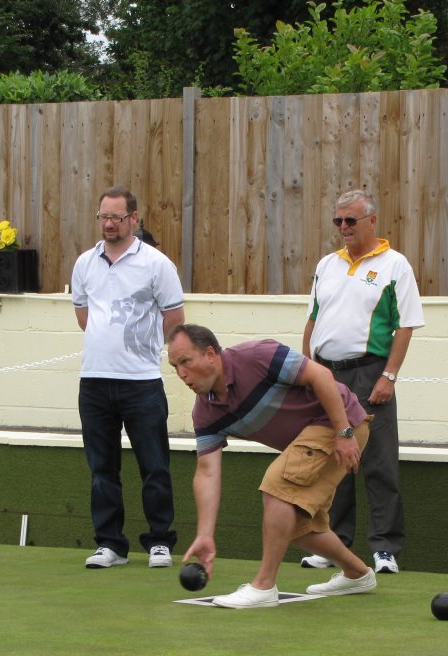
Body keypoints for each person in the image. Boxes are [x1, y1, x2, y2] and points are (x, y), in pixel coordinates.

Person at [168, 323, 379, 609]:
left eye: (185, 362)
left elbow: (320, 375)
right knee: (299, 526)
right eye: (175, 366)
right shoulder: (205, 411)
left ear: (209, 354)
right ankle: (357, 574)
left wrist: (344, 432)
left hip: (338, 424)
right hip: (314, 440)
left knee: (277, 488)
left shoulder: (256, 356)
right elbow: (207, 471)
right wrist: (205, 535)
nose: (181, 374)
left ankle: (264, 586)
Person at [301, 189, 425, 575]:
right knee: (330, 458)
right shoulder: (327, 264)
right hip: (327, 373)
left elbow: (406, 325)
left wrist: (389, 375)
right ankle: (332, 543)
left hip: (370, 372)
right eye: (337, 221)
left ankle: (385, 548)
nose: (343, 228)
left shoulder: (395, 266)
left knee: (378, 461)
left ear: (372, 220)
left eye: (350, 221)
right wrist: (307, 368)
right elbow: (312, 318)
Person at [72, 186, 185, 569]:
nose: (108, 224)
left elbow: (174, 318)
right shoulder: (85, 263)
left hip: (142, 382)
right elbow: (83, 314)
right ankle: (110, 544)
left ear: (133, 219)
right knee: (102, 468)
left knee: (154, 465)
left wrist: (146, 350)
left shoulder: (156, 264)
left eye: (116, 218)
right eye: (103, 216)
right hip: (94, 381)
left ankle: (159, 542)